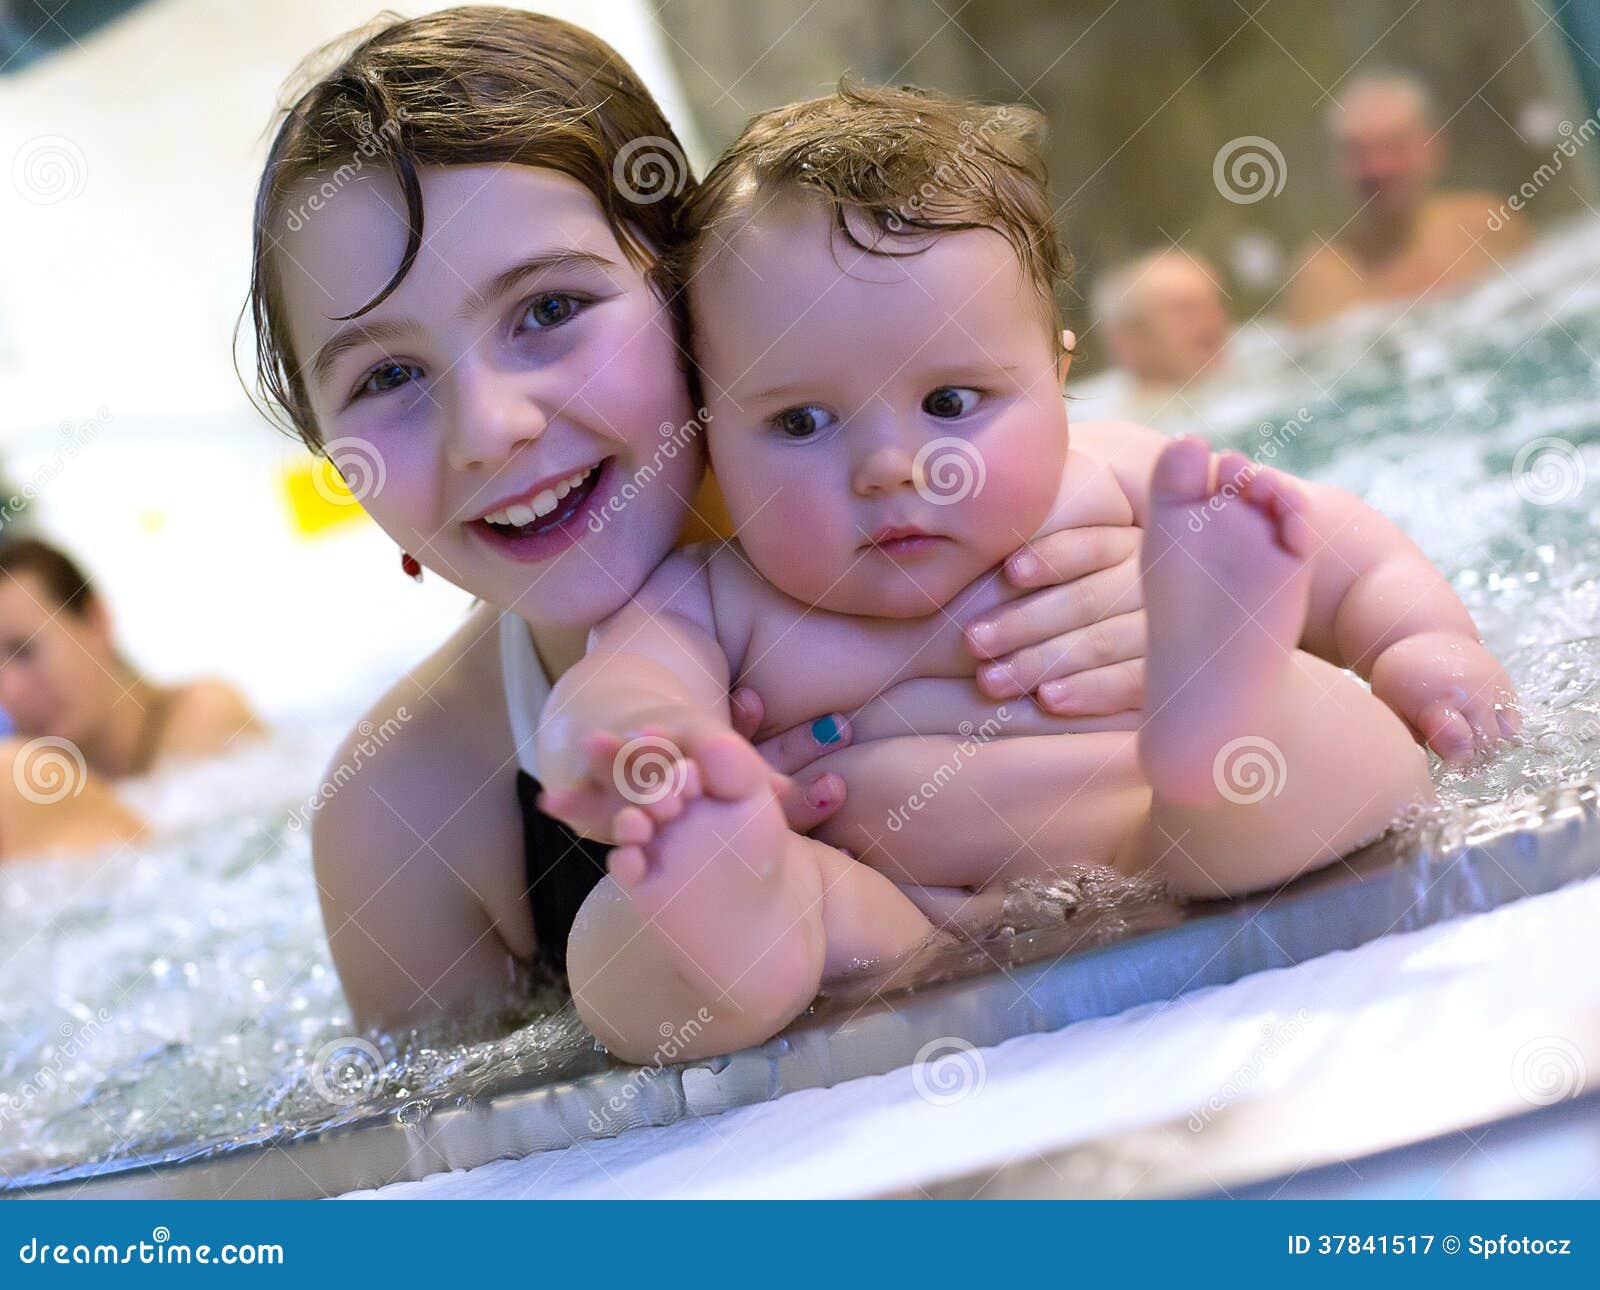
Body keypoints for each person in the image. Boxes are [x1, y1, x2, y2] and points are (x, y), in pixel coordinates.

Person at [538, 83, 1520, 1062]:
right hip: (893, 925)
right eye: (798, 422)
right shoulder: (715, 596)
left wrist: (1418, 645)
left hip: (1164, 836)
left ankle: (1229, 705)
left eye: (951, 400)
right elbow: (620, 681)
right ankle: (730, 895)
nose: (889, 467)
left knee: (1338, 748)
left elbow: (1349, 559)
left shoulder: (1120, 477)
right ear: (710, 435)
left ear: (1058, 376)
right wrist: (647, 746)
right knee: (621, 959)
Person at [248, 7, 1150, 1033]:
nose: (488, 429)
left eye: (548, 310)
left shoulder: (1058, 531)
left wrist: (1201, 627)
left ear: (682, 281)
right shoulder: (403, 818)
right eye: (389, 375)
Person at [0, 537, 262, 858]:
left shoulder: (204, 711)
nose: (10, 690)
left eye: (24, 651)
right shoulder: (33, 785)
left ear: (96, 621)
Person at [1286, 71, 1532, 326]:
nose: (1379, 167)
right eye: (1359, 153)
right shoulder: (1323, 275)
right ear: (1337, 167)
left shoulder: (1490, 223)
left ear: (1435, 145)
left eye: (1394, 146)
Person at [1074, 249, 1233, 424]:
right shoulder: (1105, 424)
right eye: (1186, 310)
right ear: (1129, 340)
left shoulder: (1247, 386)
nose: (1212, 321)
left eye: (1214, 304)